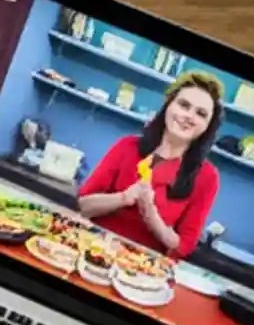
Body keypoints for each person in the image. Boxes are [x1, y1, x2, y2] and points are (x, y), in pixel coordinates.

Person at [77, 71, 224, 258]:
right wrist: (124, 198)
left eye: (201, 114)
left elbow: (183, 247)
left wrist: (151, 213)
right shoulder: (127, 146)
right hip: (93, 249)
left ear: (207, 126)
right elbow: (84, 204)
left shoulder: (207, 177)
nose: (189, 116)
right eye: (184, 105)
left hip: (143, 269)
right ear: (169, 105)